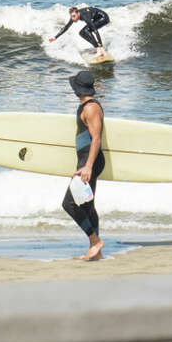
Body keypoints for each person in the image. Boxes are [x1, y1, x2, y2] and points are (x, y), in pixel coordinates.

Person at [61, 70, 106, 261]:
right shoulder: (86, 106)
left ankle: (95, 241)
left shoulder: (91, 108)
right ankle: (95, 251)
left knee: (69, 204)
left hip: (90, 161)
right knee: (87, 206)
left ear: (77, 89)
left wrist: (87, 166)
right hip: (86, 160)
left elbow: (96, 139)